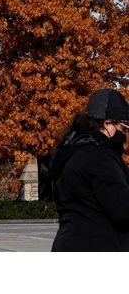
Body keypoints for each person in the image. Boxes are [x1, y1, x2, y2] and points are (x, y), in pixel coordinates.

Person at [50, 88, 129, 251]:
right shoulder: (100, 158)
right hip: (97, 246)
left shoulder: (70, 152)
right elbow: (123, 210)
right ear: (107, 124)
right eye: (123, 129)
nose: (125, 135)